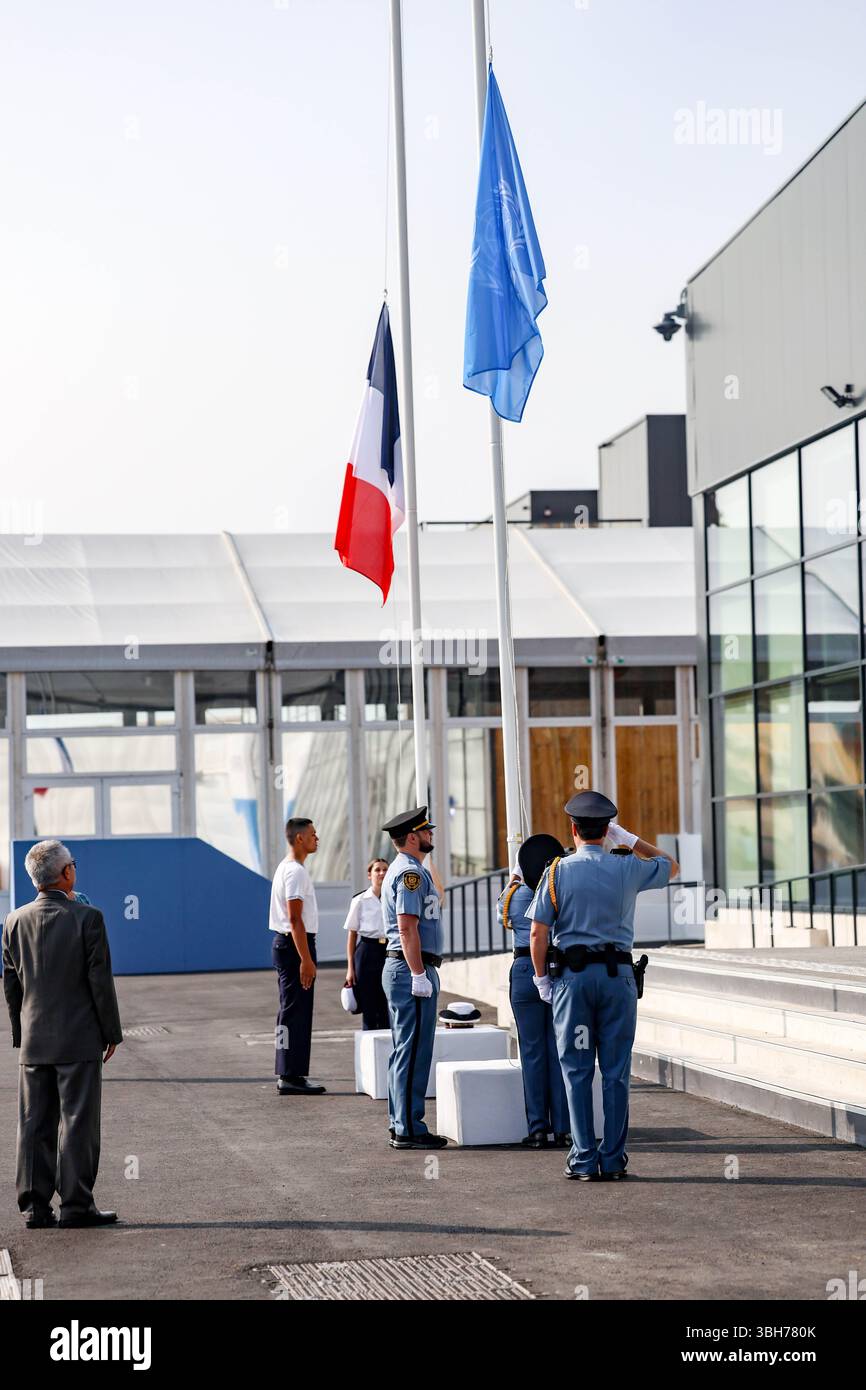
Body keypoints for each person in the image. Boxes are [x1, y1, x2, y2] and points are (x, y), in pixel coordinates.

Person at [529, 791, 678, 1183]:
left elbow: (537, 932)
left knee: (577, 1069)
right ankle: (612, 1159)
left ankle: (582, 1159)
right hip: (617, 981)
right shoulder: (627, 867)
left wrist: (542, 979)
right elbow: (670, 865)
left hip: (574, 984)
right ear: (606, 830)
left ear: (573, 829)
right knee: (615, 1071)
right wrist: (627, 838)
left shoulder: (557, 871)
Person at [2, 839, 123, 1229]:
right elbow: (99, 982)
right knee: (77, 1121)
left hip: (35, 1042)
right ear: (66, 873)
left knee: (34, 1123)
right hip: (79, 1038)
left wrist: (21, 1033)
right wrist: (111, 1033)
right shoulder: (89, 918)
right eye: (73, 864)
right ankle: (76, 1205)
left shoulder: (14, 921)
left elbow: (11, 985)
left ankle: (35, 1208)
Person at [380, 806, 446, 1150]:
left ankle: (401, 1122)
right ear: (411, 837)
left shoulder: (413, 870)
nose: (430, 835)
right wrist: (419, 974)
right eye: (425, 831)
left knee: (405, 1048)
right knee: (414, 1050)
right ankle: (408, 1128)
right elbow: (407, 928)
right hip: (410, 968)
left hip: (405, 967)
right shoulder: (410, 874)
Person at [498, 834, 571, 1149]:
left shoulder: (513, 894)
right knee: (560, 1050)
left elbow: (502, 907)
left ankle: (538, 1128)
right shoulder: (559, 890)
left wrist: (517, 875)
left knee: (531, 1052)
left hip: (525, 970)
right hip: (556, 969)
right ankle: (566, 1128)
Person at [270, 817, 326, 1096]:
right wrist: (306, 958)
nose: (318, 838)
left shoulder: (289, 868)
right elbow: (294, 918)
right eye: (314, 834)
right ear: (300, 838)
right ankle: (290, 1075)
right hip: (295, 946)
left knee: (293, 1010)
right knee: (295, 1011)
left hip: (290, 945)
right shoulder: (295, 872)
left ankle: (292, 1072)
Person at [343, 858, 390, 1031]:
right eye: (377, 870)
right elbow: (352, 934)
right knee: (368, 1005)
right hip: (366, 952)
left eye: (385, 869)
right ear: (370, 875)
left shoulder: (394, 899)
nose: (382, 873)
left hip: (388, 951)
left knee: (386, 1003)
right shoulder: (360, 900)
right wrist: (350, 968)